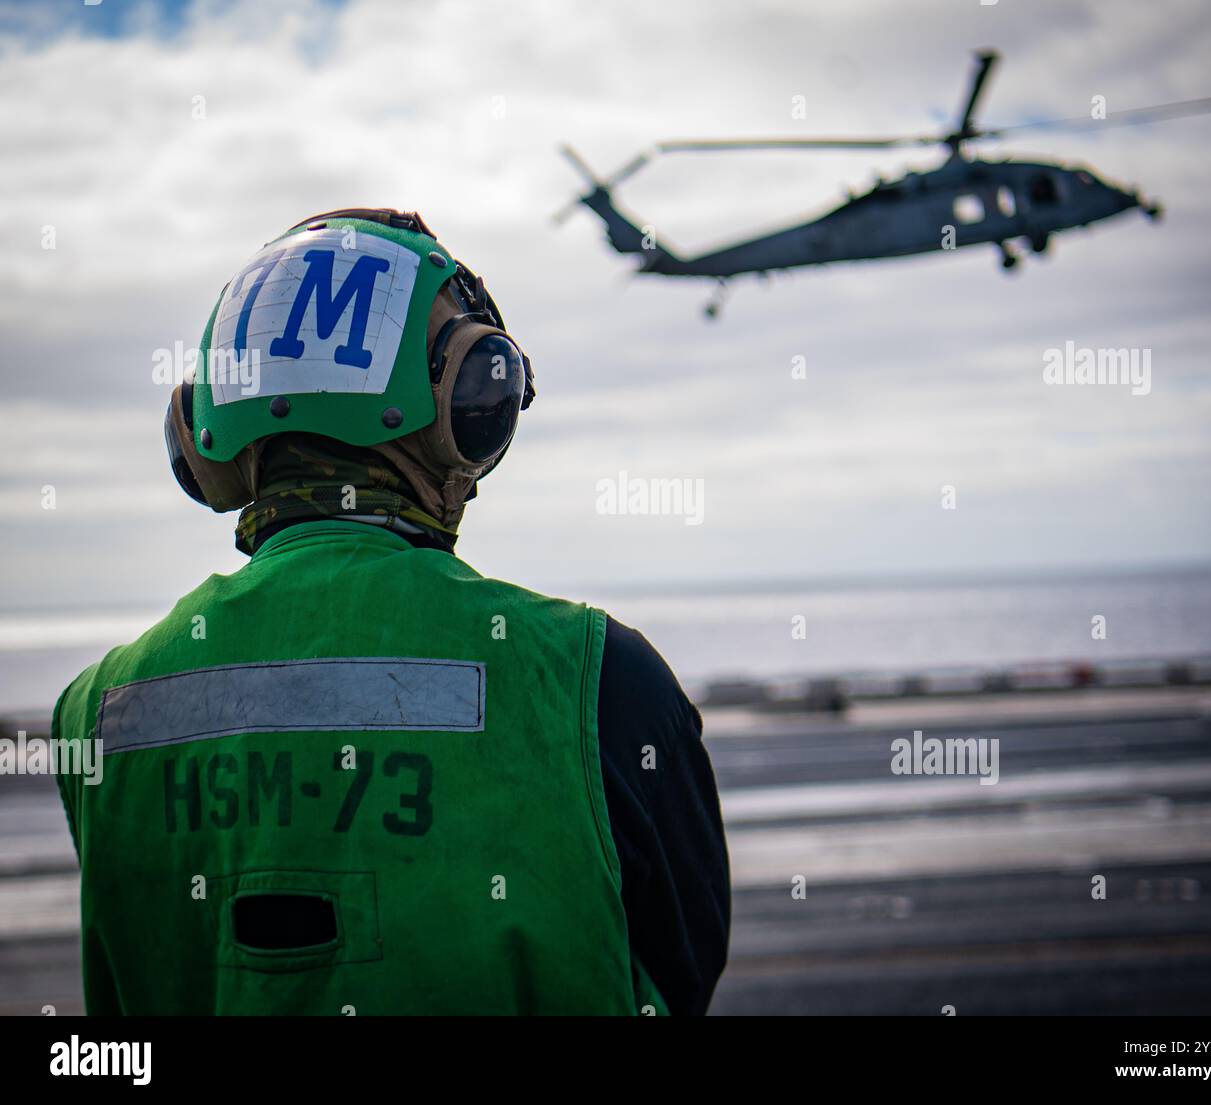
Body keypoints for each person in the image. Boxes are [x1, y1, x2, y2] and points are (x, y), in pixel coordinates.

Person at [53, 208, 729, 1015]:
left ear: (202, 435)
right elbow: (681, 971)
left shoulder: (92, 713)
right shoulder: (600, 679)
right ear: (470, 404)